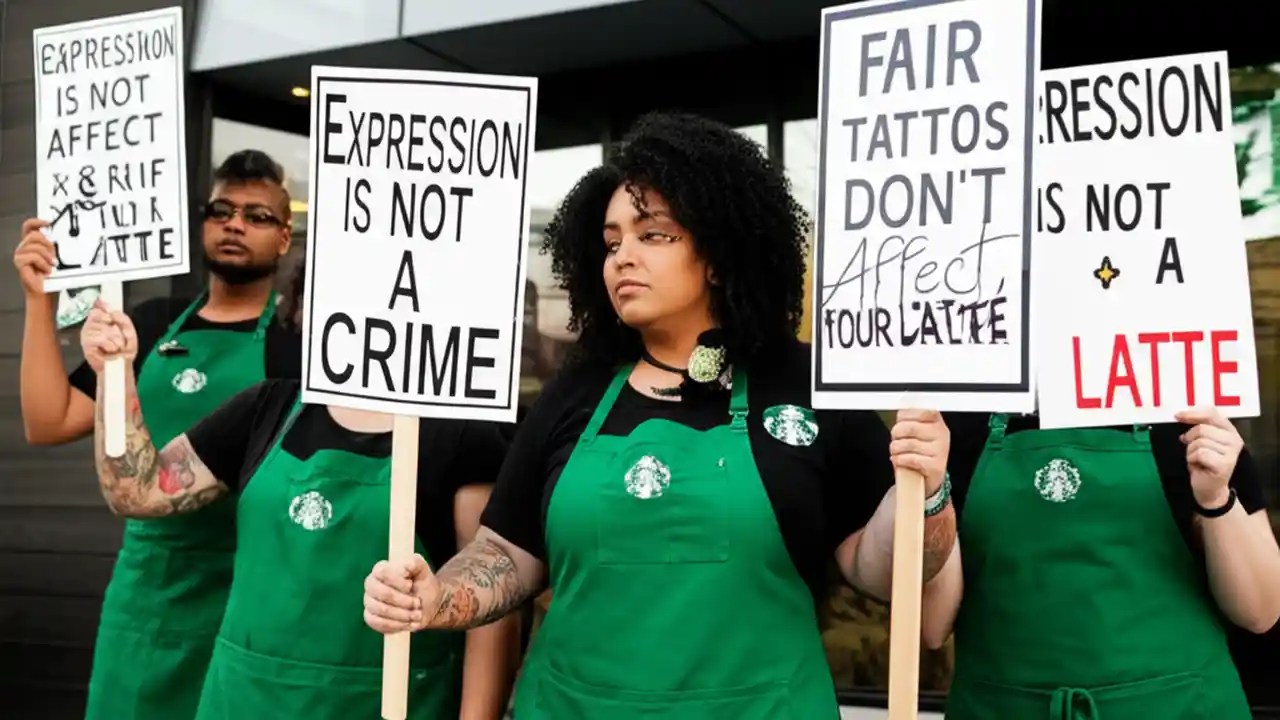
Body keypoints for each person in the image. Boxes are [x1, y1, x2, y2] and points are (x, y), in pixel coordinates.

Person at [362, 111, 959, 718]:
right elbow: (506, 555)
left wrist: (926, 488)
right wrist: (435, 597)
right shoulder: (578, 392)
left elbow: (883, 571)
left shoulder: (808, 386)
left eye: (653, 235)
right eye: (612, 241)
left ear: (720, 255)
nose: (622, 257)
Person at [78, 266, 521, 719]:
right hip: (244, 700)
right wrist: (114, 371)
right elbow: (138, 492)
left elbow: (490, 618)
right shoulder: (265, 408)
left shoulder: (465, 436)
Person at [12, 149, 302, 718]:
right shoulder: (144, 325)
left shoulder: (295, 346)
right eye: (221, 209)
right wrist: (37, 302)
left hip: (242, 598)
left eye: (257, 214)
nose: (235, 223)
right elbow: (48, 421)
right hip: (144, 599)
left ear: (285, 238)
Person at [923, 411, 1280, 719]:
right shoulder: (956, 426)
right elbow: (932, 626)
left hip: (1183, 709)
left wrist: (1216, 498)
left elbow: (1261, 609)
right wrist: (932, 492)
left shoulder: (1185, 420)